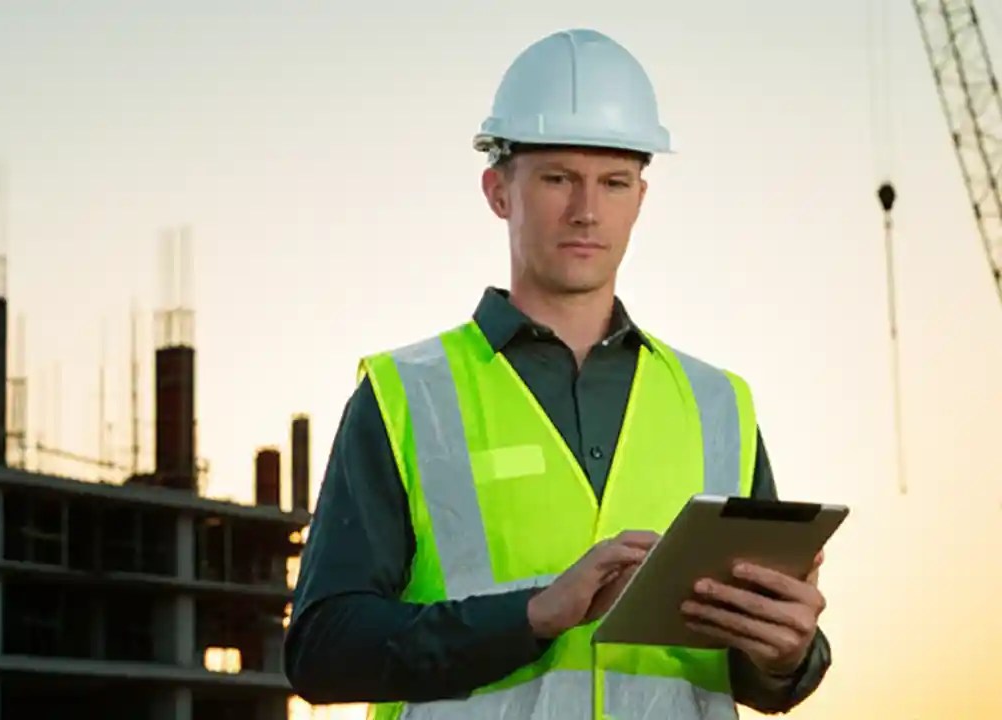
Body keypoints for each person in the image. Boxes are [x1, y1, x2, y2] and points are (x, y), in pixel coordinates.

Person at [284, 27, 832, 719]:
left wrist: (788, 654)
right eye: (557, 178)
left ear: (641, 198)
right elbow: (322, 653)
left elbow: (758, 673)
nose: (586, 211)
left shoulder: (719, 405)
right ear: (498, 191)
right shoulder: (404, 397)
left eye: (613, 182)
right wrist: (534, 614)